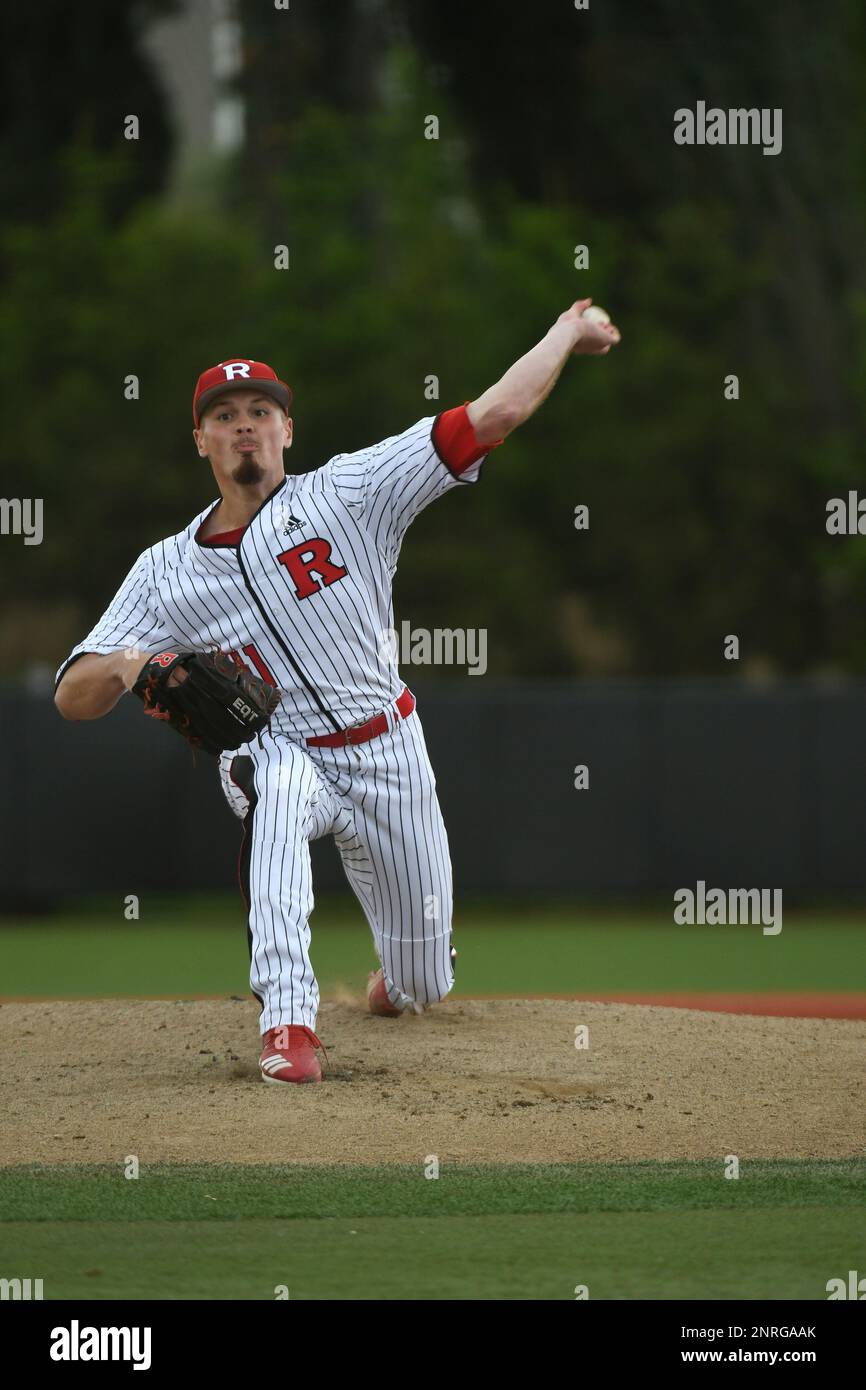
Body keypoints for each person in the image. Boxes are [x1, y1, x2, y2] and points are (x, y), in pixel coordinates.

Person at [54, 299, 621, 1084]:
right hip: (283, 749)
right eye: (224, 414)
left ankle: (402, 976)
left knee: (426, 988)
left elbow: (492, 415)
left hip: (388, 750)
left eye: (261, 410)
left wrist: (566, 331)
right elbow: (70, 695)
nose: (244, 424)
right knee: (269, 785)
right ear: (200, 440)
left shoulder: (351, 491)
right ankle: (288, 1025)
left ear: (288, 429)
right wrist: (125, 665)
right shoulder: (163, 570)